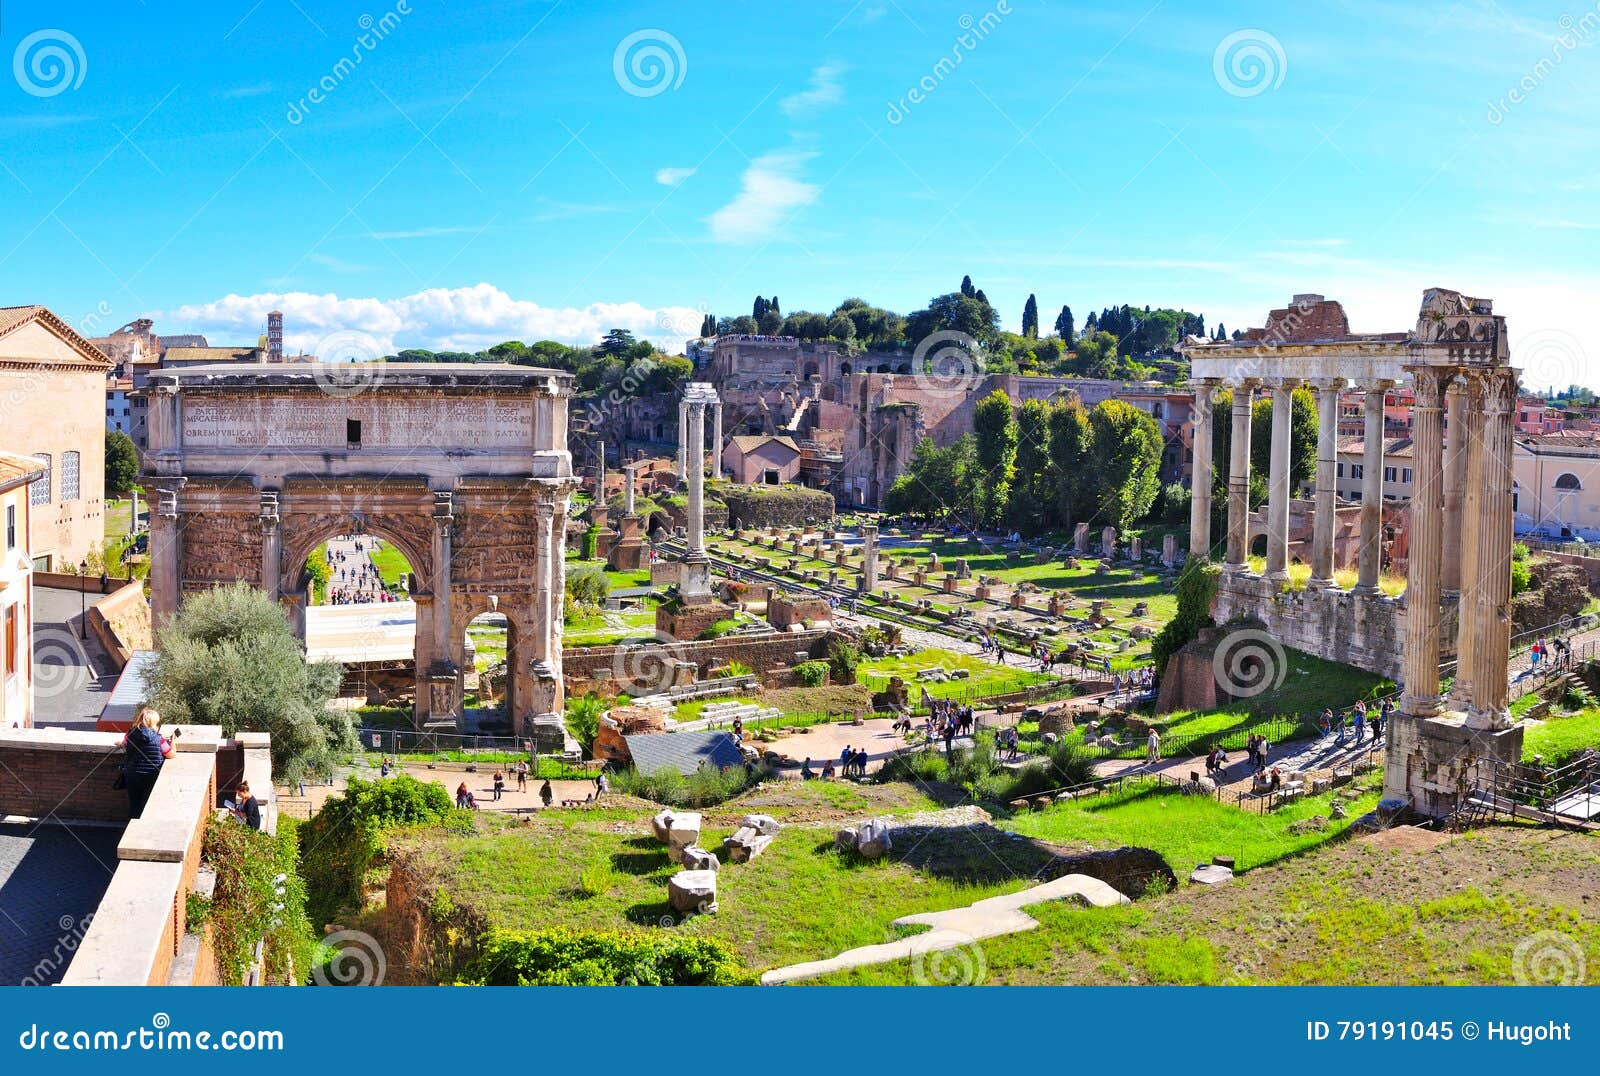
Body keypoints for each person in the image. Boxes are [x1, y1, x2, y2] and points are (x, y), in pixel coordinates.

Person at [120, 708, 172, 818]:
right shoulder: (158, 739)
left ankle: (132, 824)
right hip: (151, 775)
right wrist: (174, 742)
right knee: (147, 804)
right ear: (153, 723)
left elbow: (124, 743)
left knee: (134, 803)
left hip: (132, 775)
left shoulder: (130, 734)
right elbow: (170, 754)